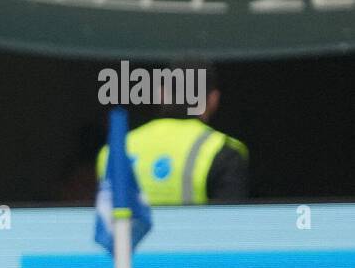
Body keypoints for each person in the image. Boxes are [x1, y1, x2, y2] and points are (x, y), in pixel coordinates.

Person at [96, 62, 248, 204]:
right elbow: (229, 226)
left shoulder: (113, 150)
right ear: (213, 99)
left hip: (130, 233)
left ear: (161, 94)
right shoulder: (224, 151)